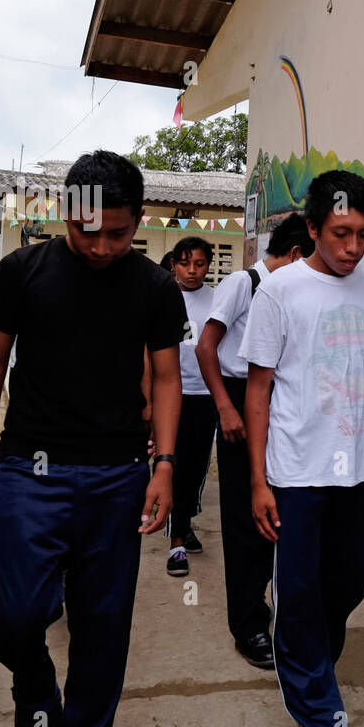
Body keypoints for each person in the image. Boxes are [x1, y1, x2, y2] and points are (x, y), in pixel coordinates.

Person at [0, 150, 186, 727]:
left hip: (117, 476)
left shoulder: (155, 288)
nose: (102, 246)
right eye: (88, 230)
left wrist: (164, 463)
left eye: (119, 233)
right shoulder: (23, 272)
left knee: (102, 626)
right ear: (66, 214)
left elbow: (166, 378)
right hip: (28, 472)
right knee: (22, 612)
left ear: (139, 219)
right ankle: (28, 666)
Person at [239, 171, 364, 727]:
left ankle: (307, 656)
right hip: (297, 471)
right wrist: (258, 479)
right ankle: (321, 725)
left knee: (352, 578)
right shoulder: (279, 292)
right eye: (340, 234)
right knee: (302, 594)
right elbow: (258, 389)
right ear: (312, 229)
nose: (353, 248)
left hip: (359, 469)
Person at [195, 214, 313, 668]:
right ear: (298, 253)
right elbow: (207, 348)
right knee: (245, 518)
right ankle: (246, 625)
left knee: (274, 510)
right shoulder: (243, 284)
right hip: (239, 398)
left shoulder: (287, 290)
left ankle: (266, 604)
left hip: (273, 399)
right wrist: (225, 406)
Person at [161, 236, 217, 577]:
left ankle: (184, 519)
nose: (192, 271)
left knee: (197, 466)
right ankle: (176, 544)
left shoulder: (218, 299)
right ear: (173, 265)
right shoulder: (162, 298)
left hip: (207, 396)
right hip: (172, 397)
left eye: (199, 263)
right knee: (174, 466)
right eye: (185, 263)